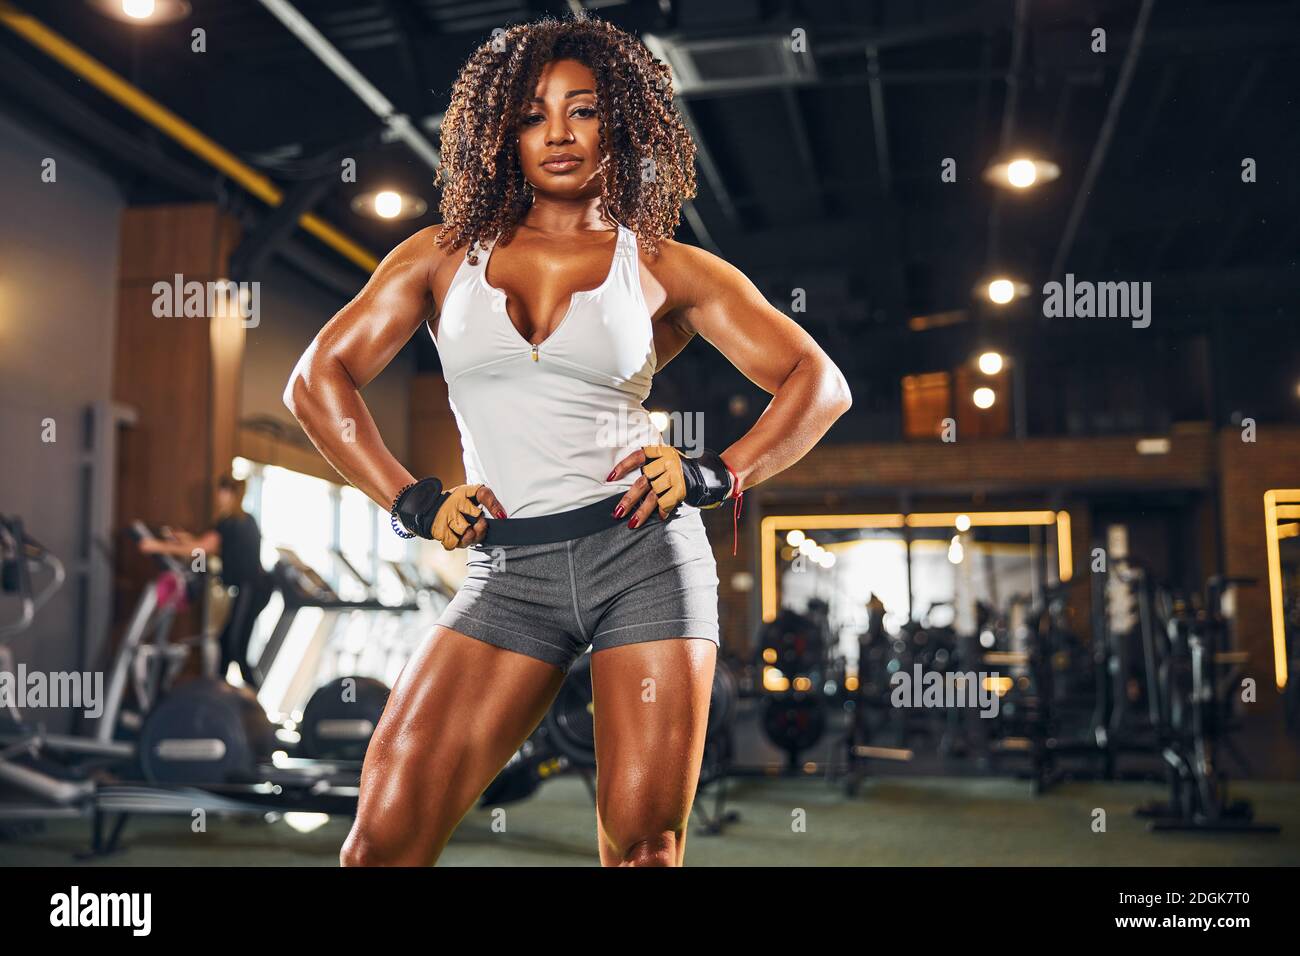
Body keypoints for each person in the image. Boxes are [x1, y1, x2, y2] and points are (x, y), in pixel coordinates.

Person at [283, 13, 852, 867]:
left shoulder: (661, 264)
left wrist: (717, 474)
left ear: (616, 123)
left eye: (581, 110)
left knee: (644, 850)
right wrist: (411, 500)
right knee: (381, 845)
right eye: (531, 113)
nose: (557, 132)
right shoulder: (439, 259)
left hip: (644, 557)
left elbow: (820, 383)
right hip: (508, 573)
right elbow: (315, 381)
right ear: (498, 132)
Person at [137, 474, 271, 687]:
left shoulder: (229, 522)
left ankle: (252, 701)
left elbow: (199, 549)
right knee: (226, 642)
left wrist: (155, 546)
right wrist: (183, 538)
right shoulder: (244, 520)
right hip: (256, 589)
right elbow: (212, 545)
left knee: (235, 646)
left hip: (250, 589)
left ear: (230, 494)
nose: (218, 496)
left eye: (222, 491)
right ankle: (219, 692)